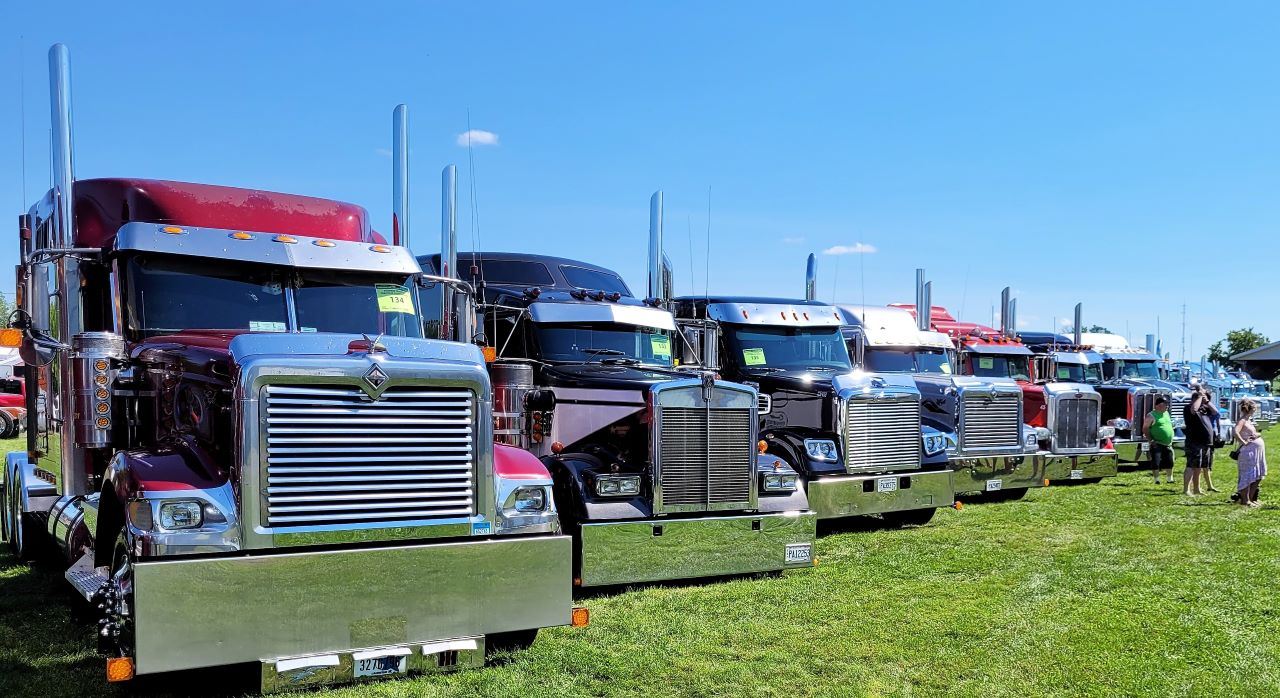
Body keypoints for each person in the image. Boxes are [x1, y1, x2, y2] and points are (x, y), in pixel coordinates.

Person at [1234, 399, 1267, 507]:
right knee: (1248, 476)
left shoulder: (1249, 420)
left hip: (1256, 453)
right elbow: (1235, 432)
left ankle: (1251, 498)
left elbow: (1253, 433)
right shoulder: (1242, 420)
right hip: (1248, 453)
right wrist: (1243, 442)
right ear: (1251, 409)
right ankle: (1245, 500)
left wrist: (1257, 435)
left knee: (1257, 476)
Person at [1181, 387, 1213, 495]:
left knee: (1199, 467)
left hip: (1205, 442)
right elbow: (1194, 410)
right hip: (1194, 442)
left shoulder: (1204, 409)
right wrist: (1200, 395)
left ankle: (1197, 489)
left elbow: (1216, 412)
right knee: (1191, 465)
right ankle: (1186, 489)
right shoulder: (1188, 408)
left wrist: (1207, 401)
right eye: (1201, 399)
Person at [1143, 396, 1175, 485]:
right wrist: (1151, 440)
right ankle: (1156, 480)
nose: (1167, 407)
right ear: (1158, 405)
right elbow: (1145, 428)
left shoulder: (1166, 413)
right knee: (1156, 462)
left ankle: (1169, 479)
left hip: (1167, 443)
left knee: (1170, 461)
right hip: (1157, 443)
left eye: (1167, 405)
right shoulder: (1151, 416)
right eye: (1165, 405)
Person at [1199, 388, 1223, 493]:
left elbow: (1217, 414)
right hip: (1199, 435)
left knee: (1208, 460)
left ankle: (1209, 484)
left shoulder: (1210, 409)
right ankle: (1198, 485)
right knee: (1198, 462)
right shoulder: (1197, 408)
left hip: (1210, 435)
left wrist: (1219, 433)